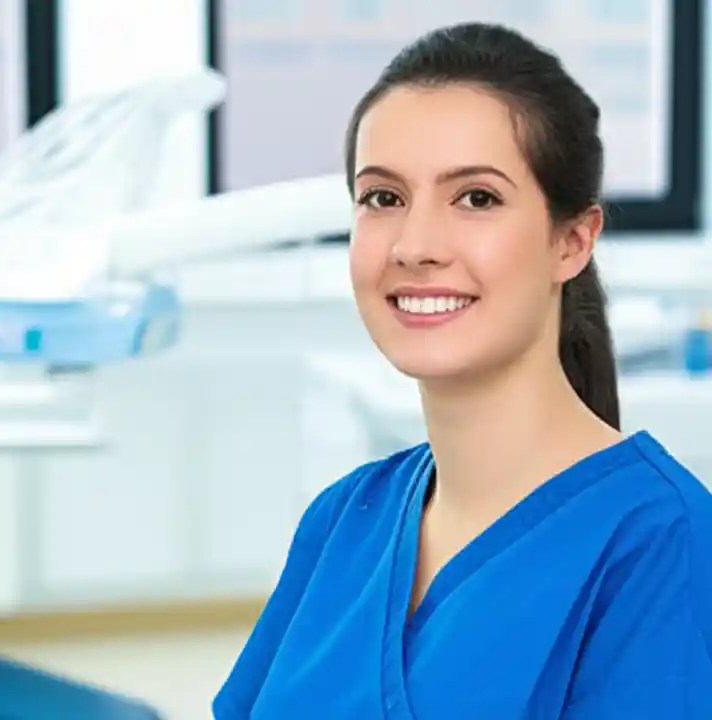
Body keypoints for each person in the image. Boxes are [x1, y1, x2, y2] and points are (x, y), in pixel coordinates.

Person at [214, 22, 712, 719]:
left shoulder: (661, 545)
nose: (415, 246)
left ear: (571, 242)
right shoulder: (344, 520)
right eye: (383, 198)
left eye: (476, 198)